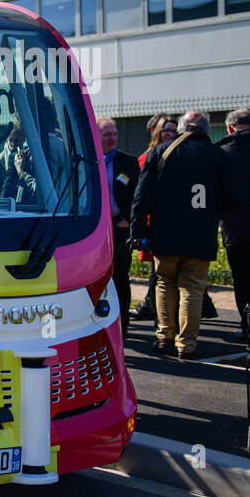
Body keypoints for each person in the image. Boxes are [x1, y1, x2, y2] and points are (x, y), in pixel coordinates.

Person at [130, 111, 239, 359]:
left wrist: (139, 231)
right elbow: (233, 198)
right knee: (193, 288)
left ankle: (163, 336)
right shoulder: (217, 155)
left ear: (182, 128)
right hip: (200, 234)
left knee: (164, 283)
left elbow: (141, 196)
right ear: (206, 129)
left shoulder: (161, 153)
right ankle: (186, 344)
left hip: (165, 234)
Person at [130, 115, 178, 321]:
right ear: (157, 132)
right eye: (166, 130)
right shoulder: (147, 157)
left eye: (174, 130)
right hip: (153, 220)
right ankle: (152, 304)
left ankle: (154, 306)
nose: (171, 134)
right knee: (156, 269)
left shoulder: (180, 154)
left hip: (172, 220)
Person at [98, 118, 140, 337]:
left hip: (119, 226)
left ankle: (123, 326)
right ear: (97, 136)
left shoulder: (128, 162)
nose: (112, 138)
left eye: (114, 134)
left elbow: (137, 195)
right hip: (95, 229)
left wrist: (126, 218)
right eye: (107, 135)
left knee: (121, 277)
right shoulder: (88, 161)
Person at [217, 108, 250, 338]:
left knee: (242, 278)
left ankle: (246, 326)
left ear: (230, 128)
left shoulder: (223, 153)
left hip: (235, 227)